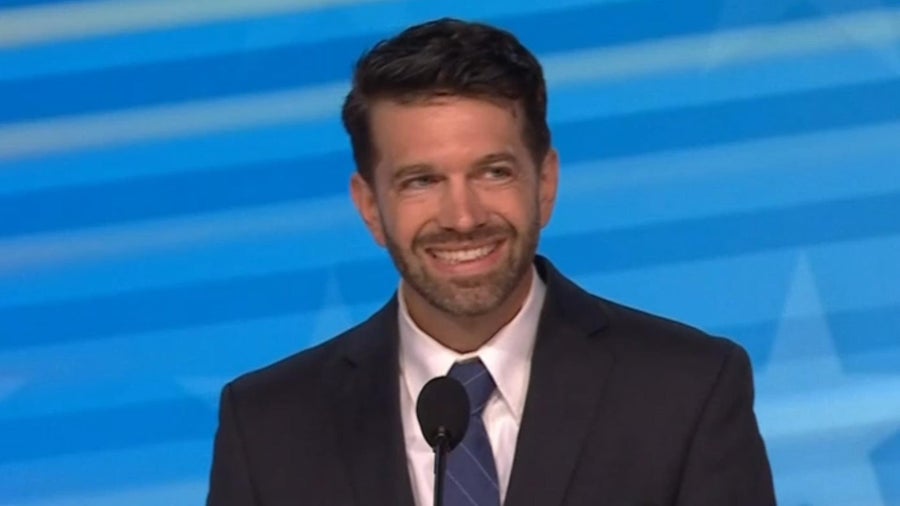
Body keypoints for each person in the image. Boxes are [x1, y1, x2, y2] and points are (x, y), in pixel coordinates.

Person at [206, 18, 775, 506]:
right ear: (370, 207)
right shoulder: (268, 425)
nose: (462, 216)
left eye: (493, 172)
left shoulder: (686, 390)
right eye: (422, 181)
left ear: (545, 183)